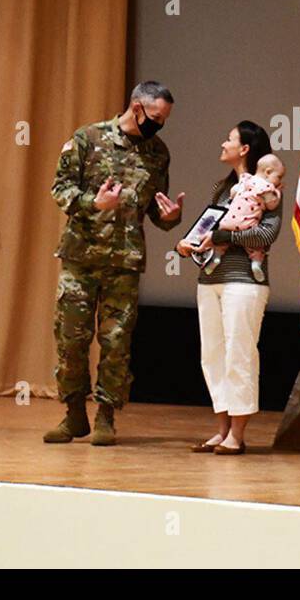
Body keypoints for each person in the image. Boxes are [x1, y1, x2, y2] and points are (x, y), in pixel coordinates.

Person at [44, 81, 185, 446]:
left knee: (116, 341)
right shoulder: (88, 138)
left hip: (124, 260)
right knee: (71, 339)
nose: (159, 125)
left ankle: (106, 415)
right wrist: (95, 204)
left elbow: (155, 210)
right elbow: (60, 188)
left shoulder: (158, 153)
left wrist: (171, 216)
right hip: (81, 257)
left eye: (164, 120)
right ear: (136, 107)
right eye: (155, 117)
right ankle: (74, 414)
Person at [177, 122, 280, 455]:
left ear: (245, 149)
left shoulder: (267, 186)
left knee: (240, 352)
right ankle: (221, 430)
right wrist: (191, 243)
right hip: (210, 279)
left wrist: (224, 237)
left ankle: (238, 433)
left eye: (230, 139)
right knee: (213, 354)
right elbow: (211, 229)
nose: (223, 143)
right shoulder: (222, 188)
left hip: (245, 282)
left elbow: (265, 236)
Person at [198, 152, 285, 283]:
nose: (279, 180)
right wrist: (276, 193)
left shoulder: (245, 180)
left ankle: (216, 257)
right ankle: (256, 262)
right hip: (247, 224)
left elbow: (266, 235)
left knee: (220, 243)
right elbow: (272, 204)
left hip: (227, 225)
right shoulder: (267, 188)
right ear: (268, 172)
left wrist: (221, 236)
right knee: (256, 249)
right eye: (279, 177)